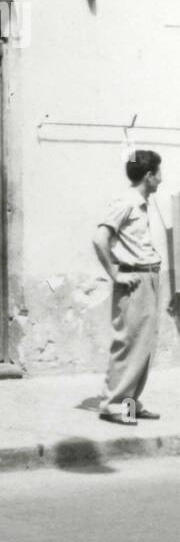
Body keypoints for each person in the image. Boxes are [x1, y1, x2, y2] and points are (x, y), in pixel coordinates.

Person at [91, 150, 177, 424]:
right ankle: (112, 405)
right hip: (133, 279)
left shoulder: (141, 203)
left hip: (150, 277)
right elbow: (99, 239)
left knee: (144, 345)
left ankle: (130, 404)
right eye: (159, 174)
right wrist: (115, 273)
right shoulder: (125, 202)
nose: (161, 180)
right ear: (149, 175)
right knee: (128, 342)